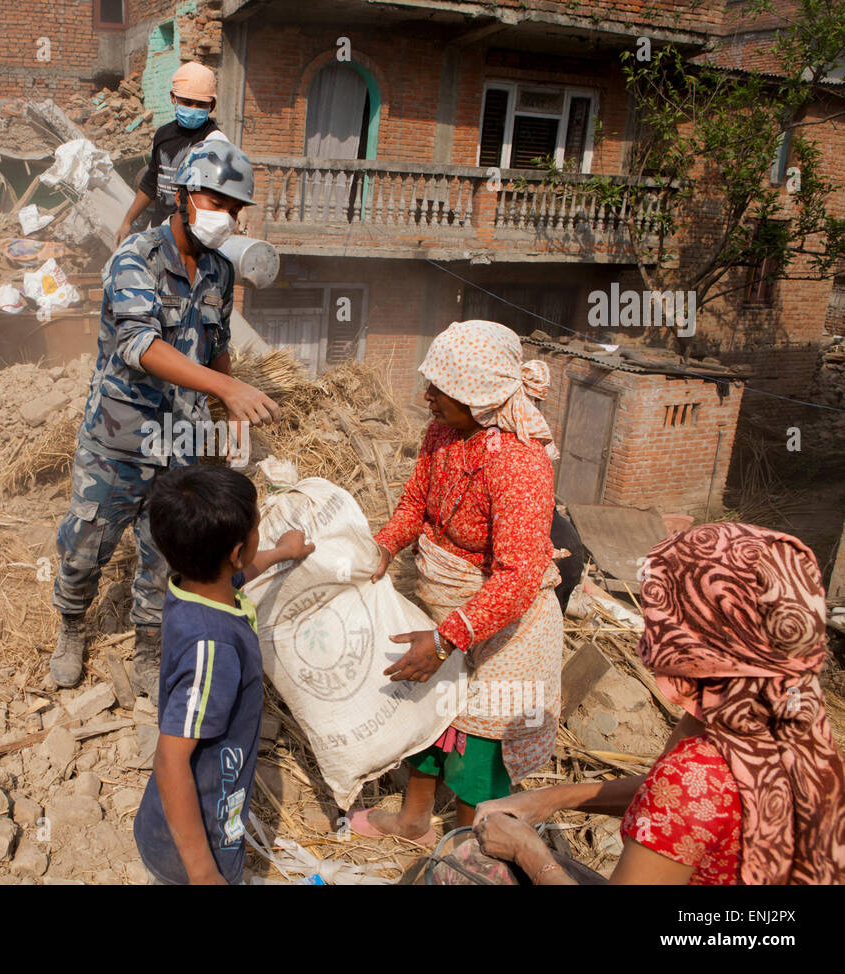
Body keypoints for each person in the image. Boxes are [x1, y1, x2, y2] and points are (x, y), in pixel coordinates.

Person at [473, 523, 845, 885]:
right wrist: (552, 798)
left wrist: (528, 852)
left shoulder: (694, 774)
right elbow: (674, 799)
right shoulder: (793, 711)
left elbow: (685, 793)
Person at [50, 139, 281, 695]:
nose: (226, 216)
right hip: (119, 437)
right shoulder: (134, 259)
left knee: (162, 556)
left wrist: (227, 413)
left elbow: (217, 342)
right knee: (86, 545)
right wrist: (227, 385)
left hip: (180, 442)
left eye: (236, 208)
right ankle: (71, 625)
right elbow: (139, 344)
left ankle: (149, 646)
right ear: (181, 195)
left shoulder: (221, 273)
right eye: (216, 200)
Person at [349, 319, 564, 843]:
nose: (427, 398)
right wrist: (385, 544)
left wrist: (446, 640)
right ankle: (412, 822)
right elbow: (415, 504)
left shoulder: (519, 464)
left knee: (478, 747)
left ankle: (468, 852)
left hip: (507, 622)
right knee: (426, 716)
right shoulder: (443, 433)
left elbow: (517, 578)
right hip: (446, 603)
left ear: (481, 398)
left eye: (440, 390)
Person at [132, 465, 314, 884]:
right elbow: (171, 757)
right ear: (235, 549)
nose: (259, 534)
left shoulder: (188, 588)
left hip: (192, 819)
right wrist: (203, 873)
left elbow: (235, 577)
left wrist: (282, 554)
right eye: (256, 528)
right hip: (199, 842)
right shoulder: (211, 649)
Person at [114, 62, 227, 247]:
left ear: (211, 105)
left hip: (195, 242)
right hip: (162, 235)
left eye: (200, 104)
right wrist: (127, 221)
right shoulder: (163, 135)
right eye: (187, 102)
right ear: (173, 98)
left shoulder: (215, 142)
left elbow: (227, 190)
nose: (193, 108)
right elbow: (151, 183)